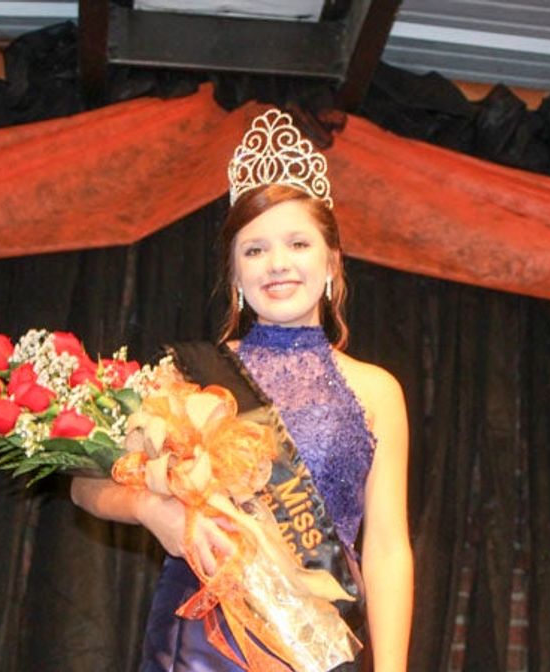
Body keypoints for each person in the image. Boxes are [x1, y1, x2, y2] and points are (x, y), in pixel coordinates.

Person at [71, 109, 413, 671]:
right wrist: (153, 511)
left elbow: (387, 546)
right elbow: (87, 484)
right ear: (234, 273)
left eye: (297, 244)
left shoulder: (377, 390)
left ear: (331, 262)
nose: (277, 264)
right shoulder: (193, 372)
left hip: (316, 643)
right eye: (254, 250)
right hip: (204, 643)